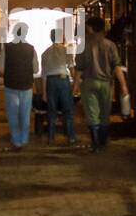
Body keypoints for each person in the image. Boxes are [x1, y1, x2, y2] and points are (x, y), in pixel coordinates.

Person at [73, 16, 122, 152]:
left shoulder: (83, 46)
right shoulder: (110, 45)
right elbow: (116, 66)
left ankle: (96, 145)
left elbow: (79, 68)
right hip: (106, 83)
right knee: (105, 114)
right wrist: (124, 86)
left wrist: (75, 86)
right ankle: (103, 142)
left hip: (89, 82)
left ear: (90, 28)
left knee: (92, 114)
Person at [0, 21, 39, 150]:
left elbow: (0, 67)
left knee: (12, 114)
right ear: (26, 33)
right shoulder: (31, 48)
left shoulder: (6, 48)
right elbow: (35, 69)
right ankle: (24, 139)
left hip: (10, 85)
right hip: (26, 85)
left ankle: (16, 140)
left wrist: (8, 73)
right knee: (25, 113)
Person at [40, 28, 77, 146]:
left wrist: (45, 93)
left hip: (50, 82)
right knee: (68, 109)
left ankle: (51, 137)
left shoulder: (45, 53)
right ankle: (71, 136)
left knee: (52, 110)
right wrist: (75, 85)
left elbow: (44, 74)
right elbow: (71, 69)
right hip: (62, 80)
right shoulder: (66, 50)